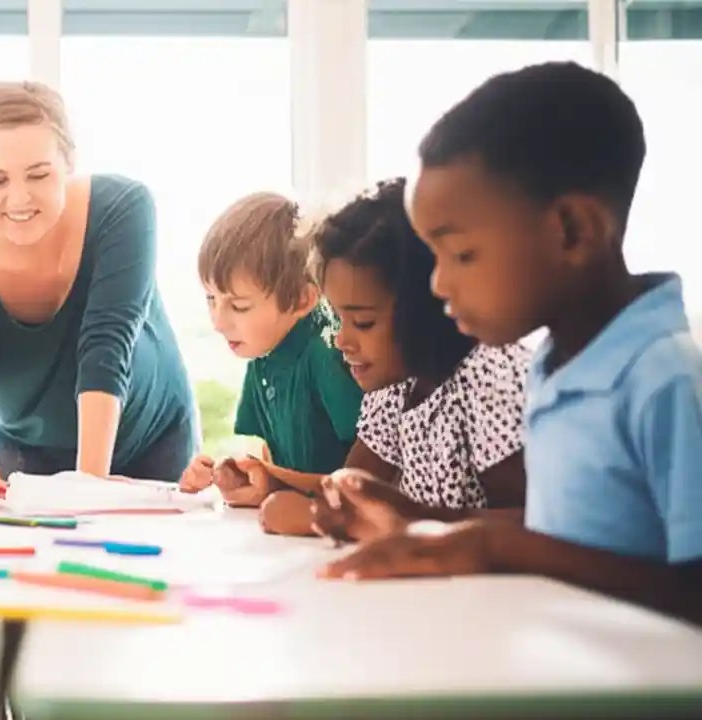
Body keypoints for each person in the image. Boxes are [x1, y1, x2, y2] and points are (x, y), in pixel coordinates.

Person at [319, 62, 702, 626]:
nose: (437, 285)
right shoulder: (559, 365)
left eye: (462, 255)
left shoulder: (667, 378)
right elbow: (567, 539)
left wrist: (498, 548)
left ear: (572, 230)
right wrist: (419, 519)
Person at [0, 80, 197, 508]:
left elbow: (106, 345)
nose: (19, 198)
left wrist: (89, 489)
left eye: (39, 174)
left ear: (69, 162)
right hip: (25, 453)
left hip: (152, 440)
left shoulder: (125, 208)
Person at [296, 178, 528, 540]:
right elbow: (348, 494)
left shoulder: (488, 378)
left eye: (363, 322)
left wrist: (416, 520)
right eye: (339, 319)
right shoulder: (394, 388)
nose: (342, 340)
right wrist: (275, 487)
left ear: (428, 305)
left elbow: (536, 526)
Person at [179, 192, 362, 518]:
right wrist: (234, 476)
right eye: (211, 299)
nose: (218, 322)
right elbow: (272, 456)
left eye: (239, 306)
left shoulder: (327, 354)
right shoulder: (263, 355)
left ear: (303, 300)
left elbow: (369, 474)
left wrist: (273, 481)